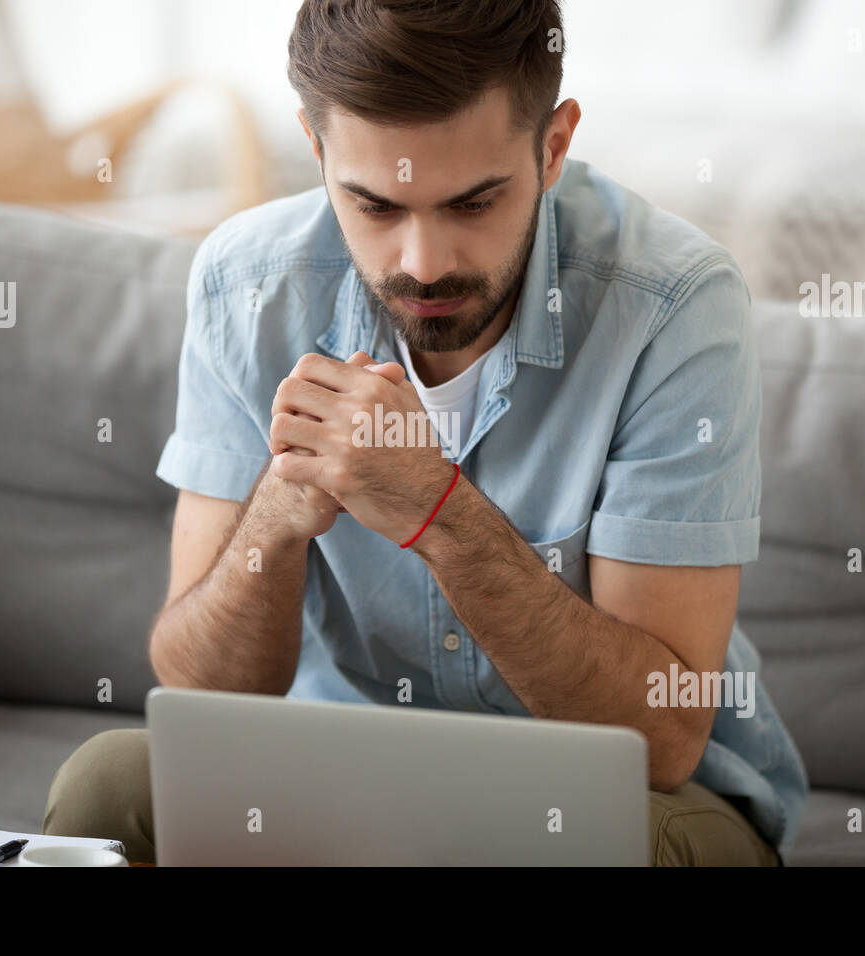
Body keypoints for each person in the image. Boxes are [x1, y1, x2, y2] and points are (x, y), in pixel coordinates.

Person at [44, 0, 808, 866]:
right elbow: (200, 692)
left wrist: (438, 508)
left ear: (551, 148)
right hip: (347, 772)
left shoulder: (673, 305)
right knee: (109, 785)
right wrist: (279, 508)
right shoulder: (244, 284)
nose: (423, 263)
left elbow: (663, 738)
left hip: (625, 803)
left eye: (473, 202)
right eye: (372, 205)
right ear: (317, 148)